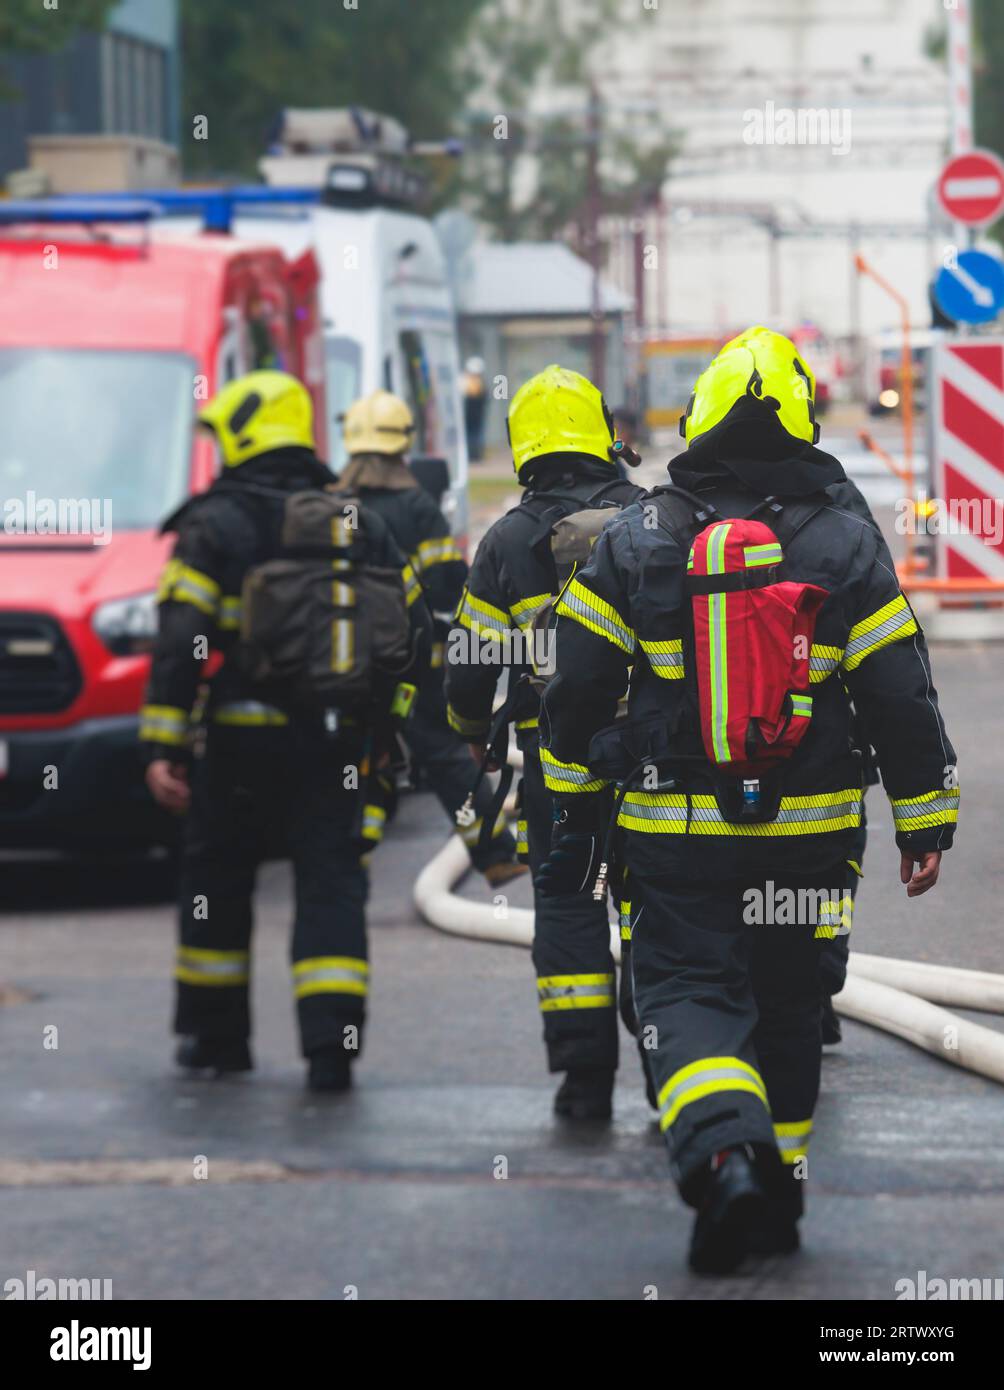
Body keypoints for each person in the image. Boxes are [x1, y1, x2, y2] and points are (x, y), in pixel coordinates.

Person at [536, 327, 959, 1271]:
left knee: (685, 993)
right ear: (806, 429)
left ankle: (727, 1160)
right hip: (808, 842)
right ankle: (783, 1196)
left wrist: (570, 797)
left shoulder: (641, 535)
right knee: (788, 1001)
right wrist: (924, 820)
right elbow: (899, 690)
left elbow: (573, 686)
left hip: (673, 836)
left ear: (699, 423)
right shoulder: (847, 542)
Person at [141, 371, 430, 1093]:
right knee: (332, 888)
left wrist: (163, 745)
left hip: (238, 745)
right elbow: (412, 636)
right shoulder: (358, 519)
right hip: (335, 747)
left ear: (243, 430)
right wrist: (385, 737)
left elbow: (182, 638)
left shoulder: (215, 523)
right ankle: (331, 1052)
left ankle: (215, 1041)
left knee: (217, 881)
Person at [444, 364, 647, 1120]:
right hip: (649, 762)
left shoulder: (507, 541)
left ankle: (584, 1079)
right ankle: (675, 1072)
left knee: (568, 901)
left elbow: (470, 661)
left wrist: (469, 733)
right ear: (603, 434)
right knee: (654, 904)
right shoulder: (653, 518)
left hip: (554, 766)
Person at [339, 389, 525, 886]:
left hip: (347, 665)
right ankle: (493, 853)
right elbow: (447, 588)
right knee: (443, 758)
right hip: (414, 659)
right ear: (403, 448)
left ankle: (351, 851)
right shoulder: (417, 507)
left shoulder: (335, 507)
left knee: (361, 753)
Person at [462, 356, 488, 463]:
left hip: (476, 415)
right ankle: (472, 456)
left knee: (476, 436)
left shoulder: (480, 383)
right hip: (469, 415)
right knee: (471, 436)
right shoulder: (464, 382)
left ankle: (476, 456)